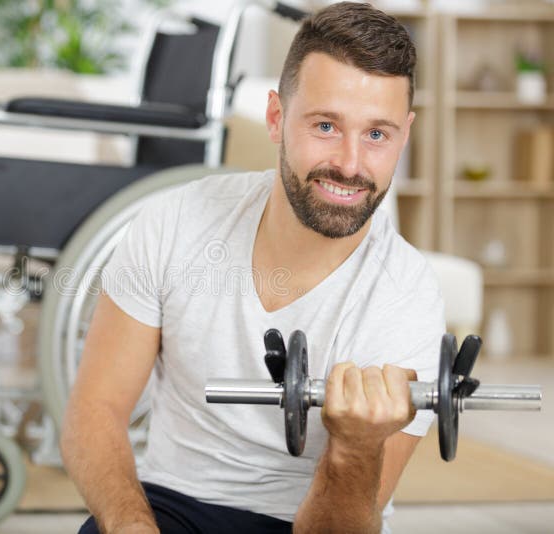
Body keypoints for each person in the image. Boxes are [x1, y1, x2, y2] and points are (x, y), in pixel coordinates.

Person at [61, 2, 445, 533]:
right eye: (326, 125)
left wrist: (354, 450)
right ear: (275, 117)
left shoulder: (408, 296)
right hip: (169, 504)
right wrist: (131, 526)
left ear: (404, 134)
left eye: (377, 134)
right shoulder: (174, 222)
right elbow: (95, 409)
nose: (351, 164)